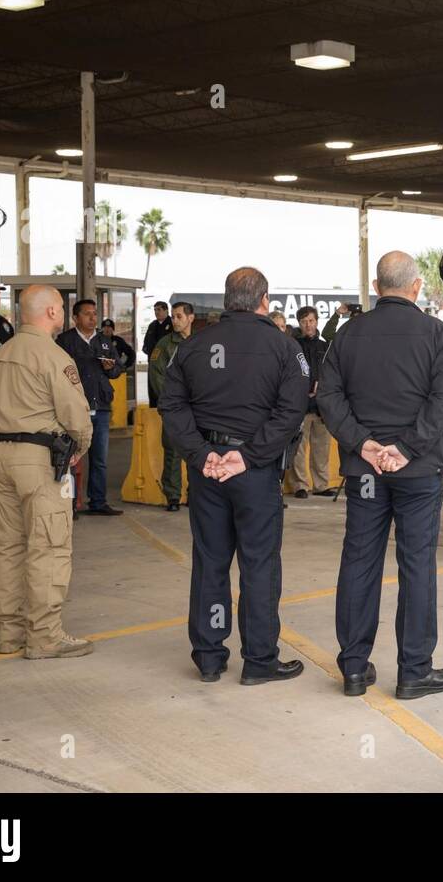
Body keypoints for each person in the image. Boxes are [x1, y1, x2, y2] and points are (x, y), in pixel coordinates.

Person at [317, 251, 443, 700]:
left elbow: (329, 397)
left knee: (360, 561)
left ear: (377, 288)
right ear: (416, 287)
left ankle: (355, 669)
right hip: (417, 472)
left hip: (365, 471)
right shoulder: (437, 334)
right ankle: (414, 671)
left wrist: (365, 444)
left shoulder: (347, 335)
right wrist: (406, 447)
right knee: (417, 566)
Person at [159, 267, 309, 684]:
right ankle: (260, 661)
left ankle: (209, 656)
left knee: (211, 560)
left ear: (228, 300)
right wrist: (249, 456)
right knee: (259, 563)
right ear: (264, 300)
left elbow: (171, 406)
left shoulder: (193, 346)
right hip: (255, 473)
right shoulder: (284, 347)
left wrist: (201, 452)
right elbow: (290, 412)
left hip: (207, 470)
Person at [0, 285, 95, 658]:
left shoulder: (0, 353)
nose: (62, 312)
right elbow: (76, 415)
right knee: (48, 546)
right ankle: (45, 635)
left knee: (10, 547)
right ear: (50, 313)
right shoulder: (53, 355)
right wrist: (79, 448)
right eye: (61, 307)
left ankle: (9, 632)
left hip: (0, 456)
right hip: (40, 461)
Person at [56, 298, 124, 515]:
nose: (93, 317)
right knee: (70, 458)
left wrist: (110, 368)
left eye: (95, 313)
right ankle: (70, 504)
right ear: (75, 318)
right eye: (87, 314)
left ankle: (98, 502)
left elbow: (117, 370)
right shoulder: (64, 341)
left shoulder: (105, 341)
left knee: (100, 459)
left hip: (101, 407)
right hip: (75, 409)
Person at [148, 301, 194, 511]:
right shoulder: (165, 344)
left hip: (198, 408)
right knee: (173, 452)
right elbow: (156, 375)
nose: (174, 320)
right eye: (173, 316)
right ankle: (173, 495)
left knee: (198, 452)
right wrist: (170, 401)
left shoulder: (199, 342)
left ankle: (196, 493)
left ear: (190, 318)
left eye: (178, 317)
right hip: (175, 408)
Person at [289, 306, 336, 499]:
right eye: (304, 321)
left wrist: (323, 388)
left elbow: (331, 373)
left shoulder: (325, 346)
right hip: (299, 405)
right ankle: (300, 485)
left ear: (317, 322)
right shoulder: (292, 345)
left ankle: (321, 485)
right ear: (299, 324)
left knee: (321, 448)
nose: (308, 324)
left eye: (311, 320)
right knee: (299, 449)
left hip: (321, 407)